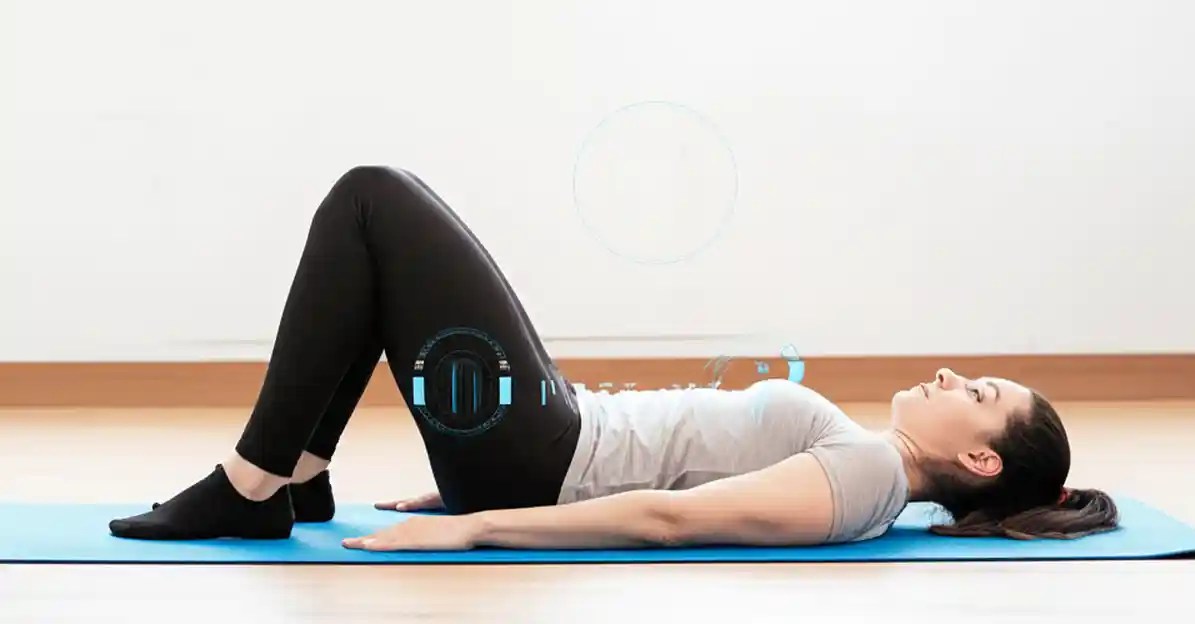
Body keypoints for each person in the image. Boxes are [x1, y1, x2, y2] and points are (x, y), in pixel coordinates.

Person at [108, 165, 1119, 550]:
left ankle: (254, 484)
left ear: (981, 460)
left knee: (372, 202)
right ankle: (303, 478)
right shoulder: (866, 469)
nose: (951, 377)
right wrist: (468, 496)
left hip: (541, 456)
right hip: (547, 438)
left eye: (977, 394)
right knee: (381, 242)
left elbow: (667, 516)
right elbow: (673, 469)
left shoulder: (861, 478)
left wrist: (481, 528)